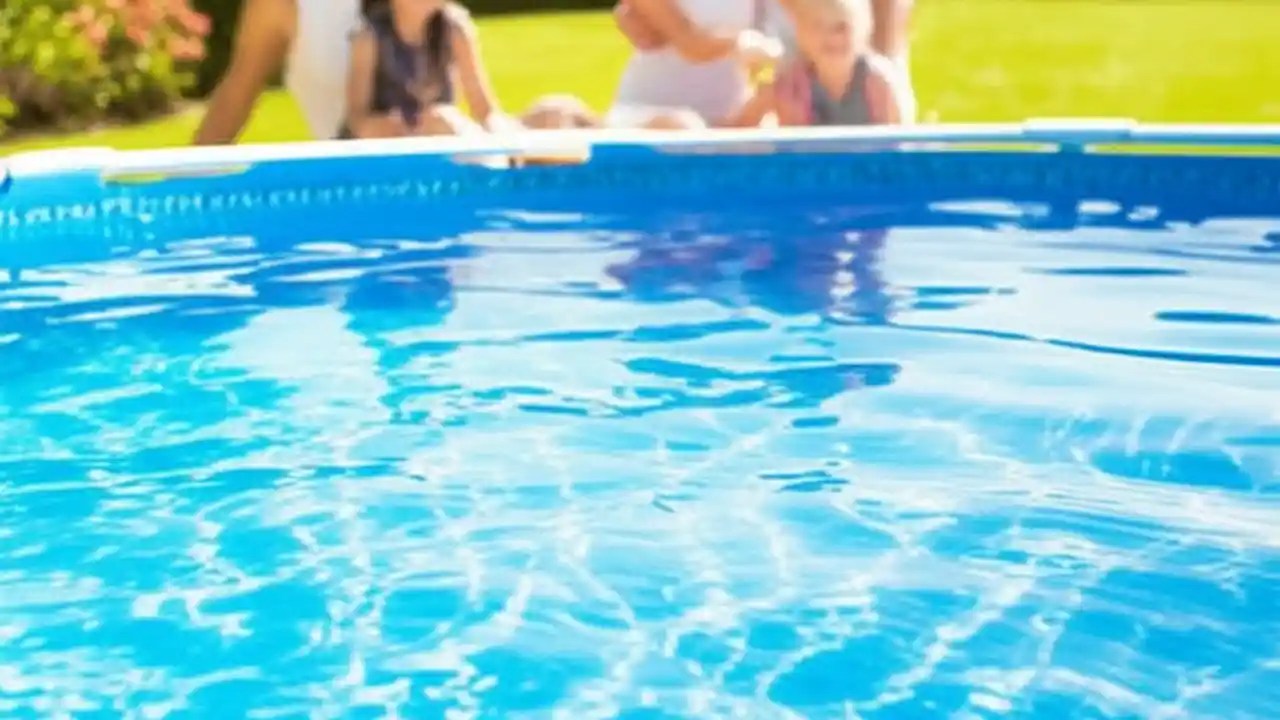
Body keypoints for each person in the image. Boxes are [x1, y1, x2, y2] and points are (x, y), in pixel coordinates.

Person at [194, 0, 595, 145]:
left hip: (445, 165)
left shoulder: (435, 15)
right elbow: (236, 92)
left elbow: (483, 108)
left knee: (561, 111)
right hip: (361, 180)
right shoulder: (285, 6)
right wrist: (180, 187)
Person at [613, 0, 917, 123]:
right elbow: (691, 42)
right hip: (662, 115)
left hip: (726, 113)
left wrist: (877, 65)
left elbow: (828, 11)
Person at [606, 0, 786, 130]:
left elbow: (782, 38)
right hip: (648, 113)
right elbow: (691, 44)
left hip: (732, 112)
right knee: (686, 128)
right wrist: (740, 42)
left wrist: (759, 104)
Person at [769, 0, 912, 126]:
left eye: (842, 28)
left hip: (866, 154)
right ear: (802, 34)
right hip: (810, 155)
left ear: (863, 31)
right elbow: (749, 122)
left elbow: (899, 134)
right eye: (819, 27)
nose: (833, 37)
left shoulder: (877, 81)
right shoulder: (793, 81)